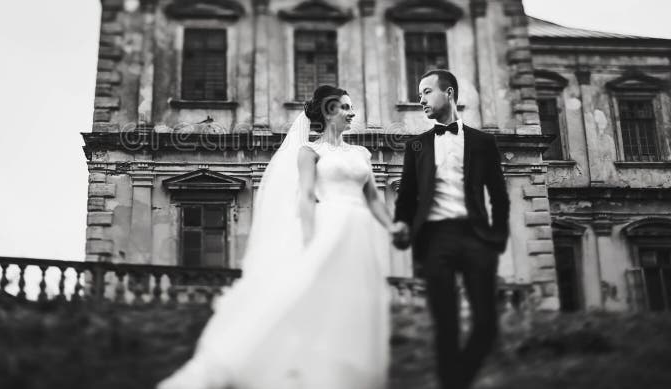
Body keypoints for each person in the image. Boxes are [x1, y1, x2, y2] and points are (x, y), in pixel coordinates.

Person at [158, 85, 404, 389]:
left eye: (351, 107)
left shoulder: (361, 154)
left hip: (360, 233)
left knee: (350, 308)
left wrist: (392, 227)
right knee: (302, 297)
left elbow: (374, 199)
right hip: (331, 225)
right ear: (329, 112)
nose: (352, 112)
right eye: (345, 107)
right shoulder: (309, 152)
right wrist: (310, 238)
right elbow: (306, 197)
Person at [392, 69, 509, 389]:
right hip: (436, 240)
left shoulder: (483, 142)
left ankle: (457, 380)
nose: (420, 100)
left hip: (476, 237)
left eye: (426, 92)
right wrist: (401, 222)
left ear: (449, 93)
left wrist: (497, 239)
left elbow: (499, 195)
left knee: (486, 325)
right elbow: (406, 196)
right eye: (419, 94)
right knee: (446, 327)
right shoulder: (416, 145)